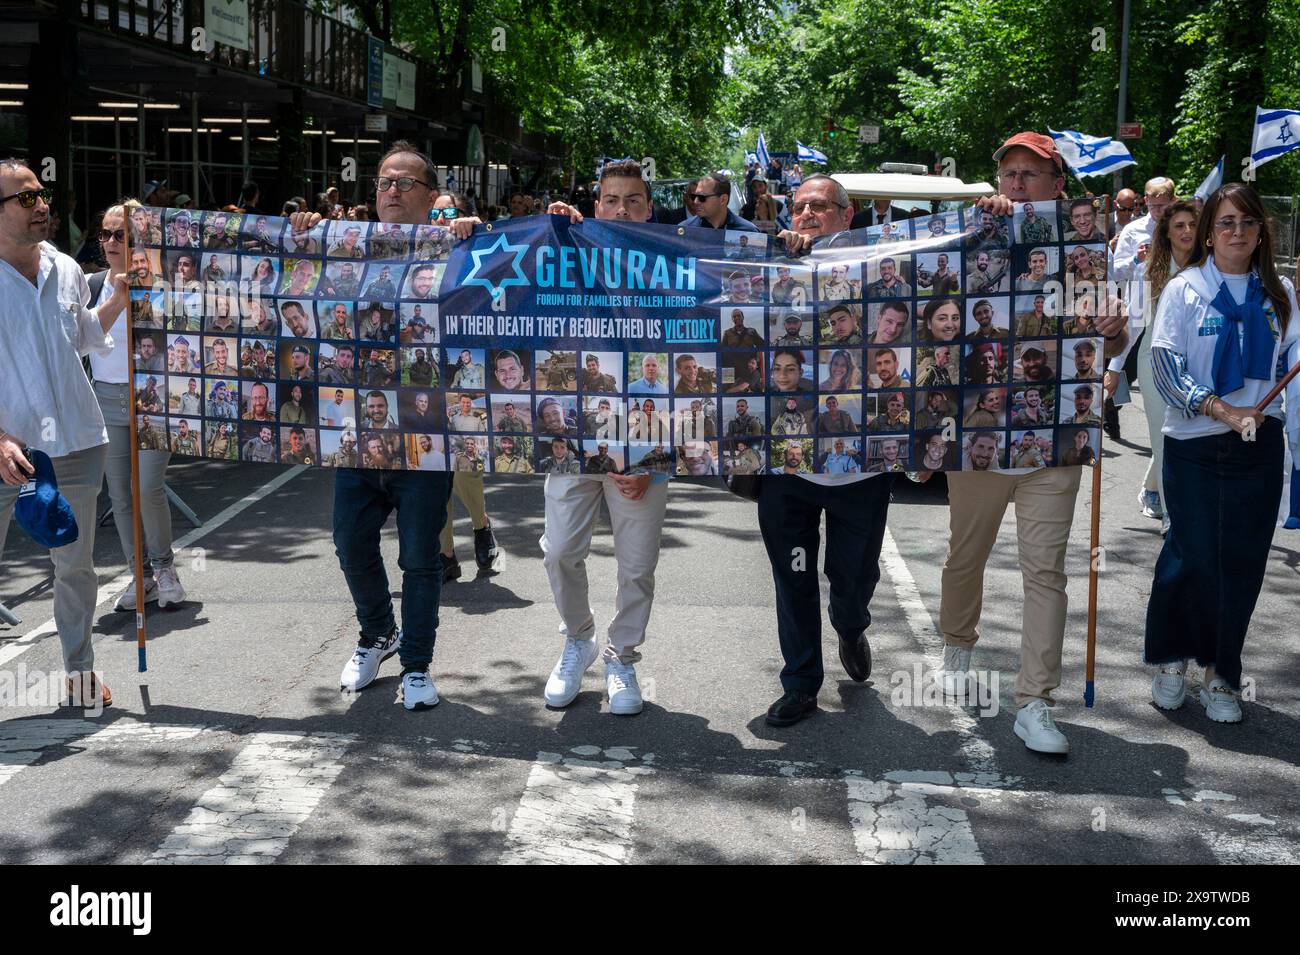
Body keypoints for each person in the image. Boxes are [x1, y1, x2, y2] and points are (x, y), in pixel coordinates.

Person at [925, 132, 1128, 756]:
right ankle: (957, 645)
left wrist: (1115, 331)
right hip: (981, 434)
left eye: (1030, 174)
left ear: (1056, 185)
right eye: (1008, 172)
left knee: (1047, 571)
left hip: (1055, 439)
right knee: (967, 555)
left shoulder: (1086, 248)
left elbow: (1107, 346)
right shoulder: (968, 235)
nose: (1016, 183)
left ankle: (1035, 700)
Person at [289, 140, 479, 710]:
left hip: (424, 438)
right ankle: (378, 633)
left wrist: (479, 232)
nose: (391, 192)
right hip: (358, 435)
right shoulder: (342, 248)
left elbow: (510, 270)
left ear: (429, 194)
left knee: (421, 559)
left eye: (404, 183)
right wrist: (303, 227)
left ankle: (417, 666)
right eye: (383, 183)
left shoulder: (459, 249)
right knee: (350, 543)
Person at [733, 173, 897, 726]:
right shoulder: (771, 265)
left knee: (852, 578)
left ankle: (851, 625)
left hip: (860, 470)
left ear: (847, 216)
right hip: (788, 467)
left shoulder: (881, 262)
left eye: (819, 207)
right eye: (798, 206)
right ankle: (801, 682)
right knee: (794, 576)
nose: (805, 215)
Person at [1145, 182, 1298, 723]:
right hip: (1193, 444)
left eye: (1248, 223)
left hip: (1259, 447)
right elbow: (1166, 368)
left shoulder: (1280, 292)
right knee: (1191, 553)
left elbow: (1291, 364)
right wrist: (1220, 410)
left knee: (1241, 562)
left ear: (1261, 233)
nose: (1238, 232)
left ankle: (1222, 674)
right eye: (1227, 223)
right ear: (1209, 232)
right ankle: (1170, 658)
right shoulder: (1184, 289)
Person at [536, 159, 674, 716]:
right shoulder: (567, 246)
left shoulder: (670, 260)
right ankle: (578, 638)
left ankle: (622, 656)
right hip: (573, 439)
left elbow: (682, 366)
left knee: (637, 566)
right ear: (596, 207)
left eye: (633, 200)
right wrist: (550, 227)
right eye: (611, 200)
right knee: (560, 553)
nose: (621, 210)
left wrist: (645, 454)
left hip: (642, 441)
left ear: (649, 207)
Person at [0, 176, 130, 702]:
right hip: (7, 447)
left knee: (75, 565)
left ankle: (79, 672)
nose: (42, 205)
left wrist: (118, 299)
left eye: (43, 194)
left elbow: (80, 338)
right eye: (26, 198)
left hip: (75, 439)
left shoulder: (66, 267)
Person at [81, 198, 186, 615]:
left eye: (119, 234)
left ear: (138, 237)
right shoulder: (91, 285)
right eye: (104, 234)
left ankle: (165, 571)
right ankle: (138, 574)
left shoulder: (163, 285)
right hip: (106, 396)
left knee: (147, 487)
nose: (109, 241)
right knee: (120, 494)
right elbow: (80, 339)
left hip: (154, 398)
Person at [1136, 199, 1199, 529]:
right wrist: (1114, 369)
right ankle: (1173, 521)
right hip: (1154, 361)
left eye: (1192, 224)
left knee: (1186, 433)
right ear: (1167, 232)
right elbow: (1136, 322)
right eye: (1179, 225)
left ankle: (1152, 488)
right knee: (1164, 435)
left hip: (1197, 362)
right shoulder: (1150, 269)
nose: (1187, 230)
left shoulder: (1210, 267)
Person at [681, 171, 756, 232]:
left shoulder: (749, 231)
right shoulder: (684, 230)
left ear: (723, 200)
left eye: (701, 197)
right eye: (693, 196)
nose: (695, 202)